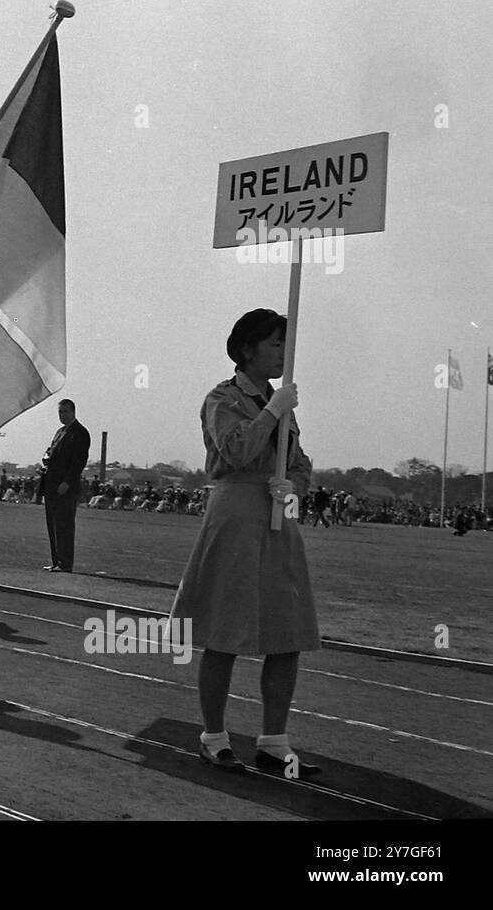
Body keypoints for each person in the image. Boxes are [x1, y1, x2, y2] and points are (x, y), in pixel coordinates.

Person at [169, 308, 321, 778]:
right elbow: (235, 451)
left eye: (284, 344)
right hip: (235, 513)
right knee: (224, 631)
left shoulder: (281, 401)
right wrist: (274, 411)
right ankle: (214, 737)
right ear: (246, 349)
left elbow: (298, 461)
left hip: (278, 517)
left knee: (286, 633)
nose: (282, 353)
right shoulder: (223, 398)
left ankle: (274, 741)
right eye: (274, 344)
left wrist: (294, 486)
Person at [40, 399, 90, 572]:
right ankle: (56, 560)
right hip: (51, 484)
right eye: (60, 412)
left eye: (65, 411)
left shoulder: (80, 432)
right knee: (52, 525)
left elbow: (78, 462)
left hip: (65, 487)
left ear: (73, 412)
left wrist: (67, 482)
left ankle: (65, 562)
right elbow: (50, 451)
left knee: (64, 525)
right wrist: (46, 461)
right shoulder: (60, 432)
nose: (62, 415)